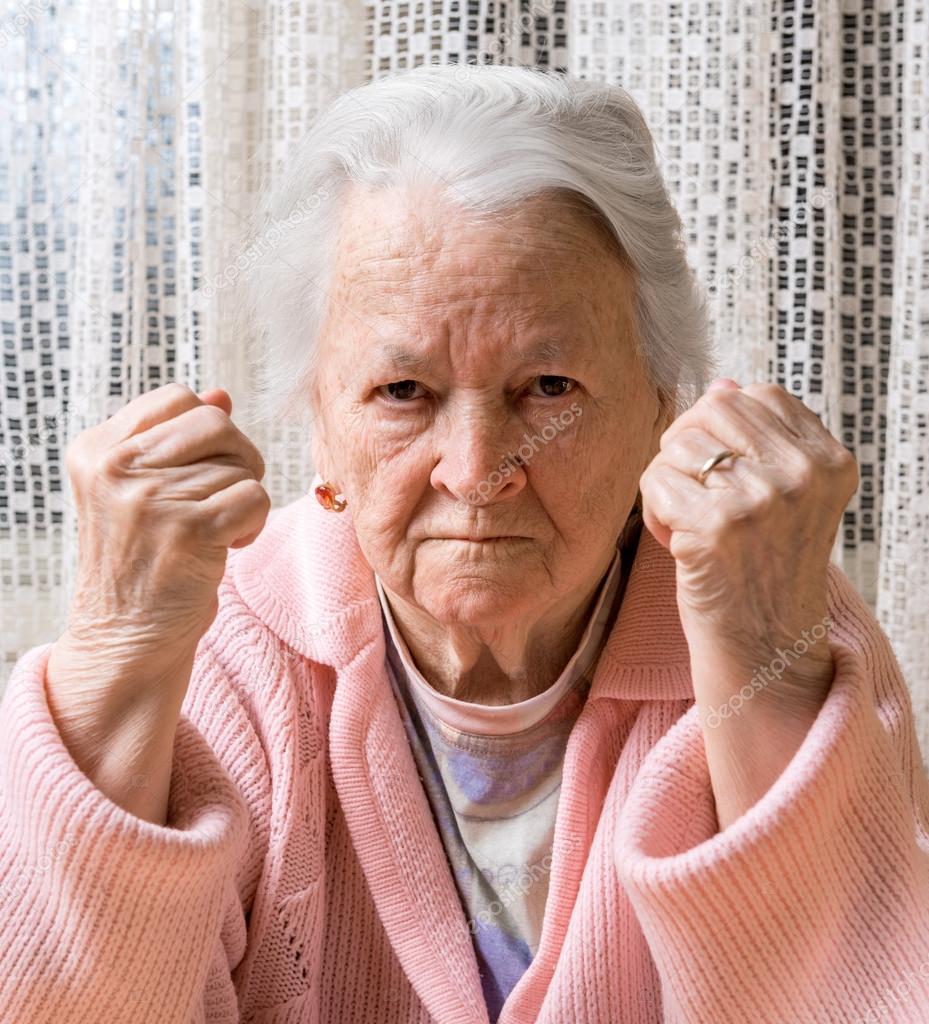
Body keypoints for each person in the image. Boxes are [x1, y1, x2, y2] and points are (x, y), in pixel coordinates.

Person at [3, 62, 929, 1024]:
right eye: (402, 393)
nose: (475, 469)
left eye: (549, 388)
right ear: (317, 422)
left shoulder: (766, 607)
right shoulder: (215, 644)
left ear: (663, 403)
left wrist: (766, 672)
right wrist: (114, 655)